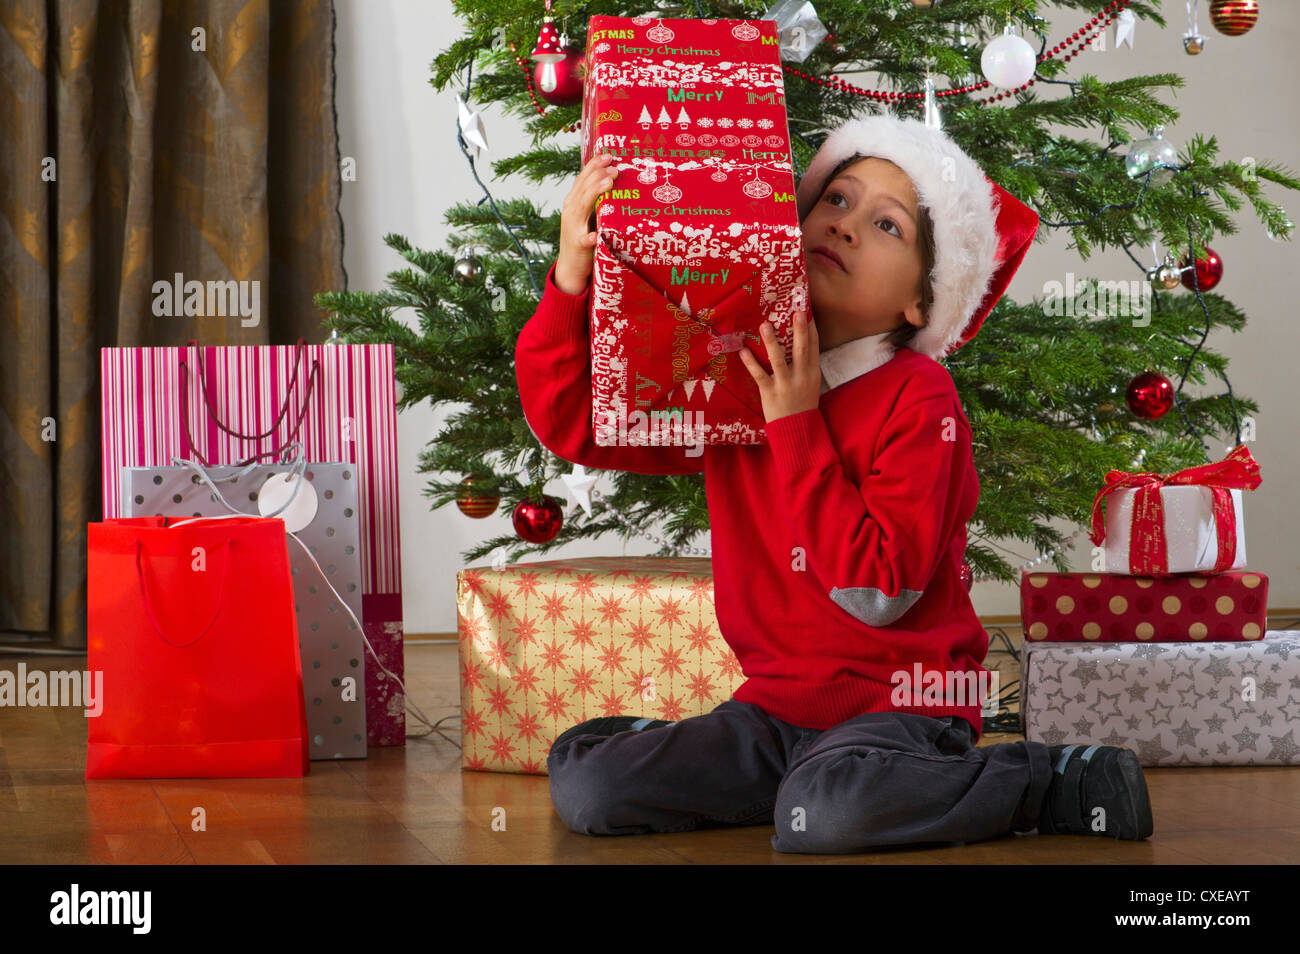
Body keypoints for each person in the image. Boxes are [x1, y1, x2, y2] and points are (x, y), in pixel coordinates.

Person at [514, 113, 1153, 853]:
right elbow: (577, 427)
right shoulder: (739, 370)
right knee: (591, 786)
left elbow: (876, 594)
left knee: (829, 813)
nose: (846, 226)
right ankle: (773, 774)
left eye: (887, 226)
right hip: (774, 709)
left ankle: (1047, 778)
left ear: (922, 301)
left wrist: (795, 426)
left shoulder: (919, 397)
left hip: (903, 704)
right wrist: (569, 279)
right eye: (837, 200)